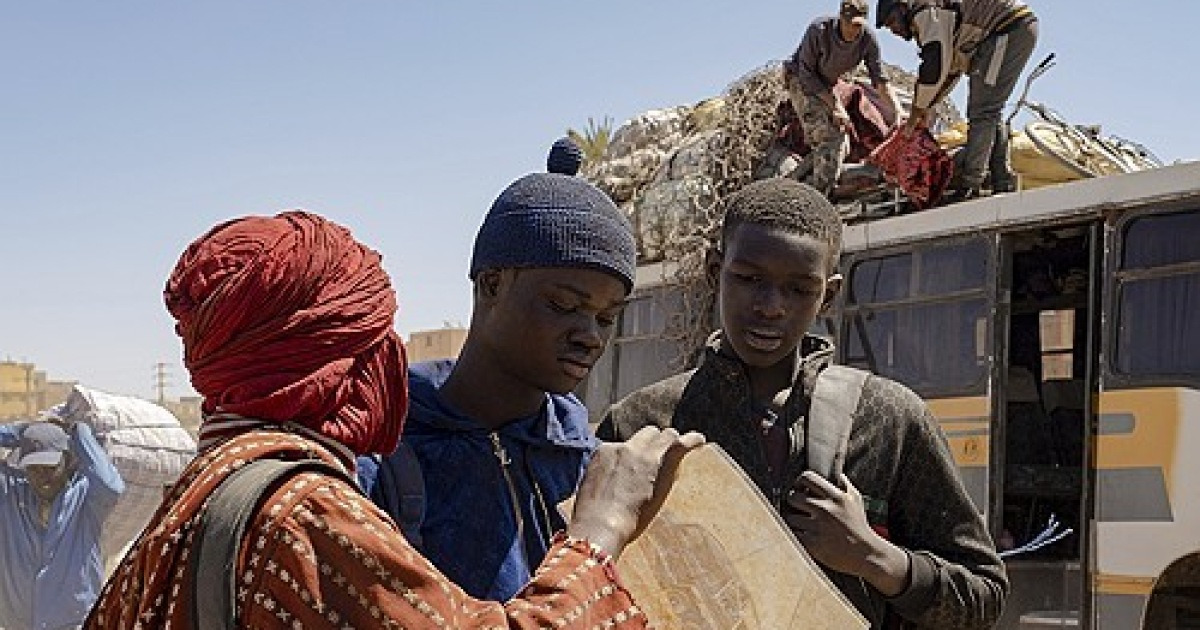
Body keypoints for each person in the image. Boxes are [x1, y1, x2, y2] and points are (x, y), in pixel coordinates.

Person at [85, 210, 700, 629]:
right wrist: (599, 532)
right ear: (326, 359)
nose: (391, 354)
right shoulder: (303, 512)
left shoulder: (204, 487)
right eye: (374, 334)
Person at [597, 178, 1007, 628]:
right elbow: (590, 581)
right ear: (715, 271)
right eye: (750, 279)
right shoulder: (642, 425)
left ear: (827, 296)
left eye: (798, 289)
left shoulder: (890, 419)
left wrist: (873, 556)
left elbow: (983, 598)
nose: (771, 306)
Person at [357, 148, 637, 600]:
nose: (590, 335)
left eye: (607, 318)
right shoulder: (387, 454)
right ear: (492, 285)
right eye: (564, 306)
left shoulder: (588, 467)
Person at [877, 0, 1038, 200]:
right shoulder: (930, 18)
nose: (894, 30)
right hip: (1009, 29)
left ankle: (972, 184)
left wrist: (915, 114)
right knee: (989, 109)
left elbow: (934, 67)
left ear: (903, 7)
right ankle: (1001, 180)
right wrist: (928, 106)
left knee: (984, 111)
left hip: (1007, 28)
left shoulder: (924, 13)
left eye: (893, 21)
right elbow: (949, 71)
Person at [0, 415, 124, 629]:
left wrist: (79, 433)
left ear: (67, 462)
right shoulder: (10, 494)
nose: (42, 477)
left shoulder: (85, 498)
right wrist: (21, 432)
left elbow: (112, 486)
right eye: (34, 469)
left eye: (50, 468)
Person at [783, 0, 899, 196]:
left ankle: (794, 180)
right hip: (801, 80)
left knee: (843, 143)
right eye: (850, 24)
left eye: (858, 25)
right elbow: (807, 75)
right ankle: (817, 199)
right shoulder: (819, 30)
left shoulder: (867, 40)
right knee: (830, 137)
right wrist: (836, 106)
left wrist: (897, 113)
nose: (854, 31)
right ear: (840, 19)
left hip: (828, 82)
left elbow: (880, 81)